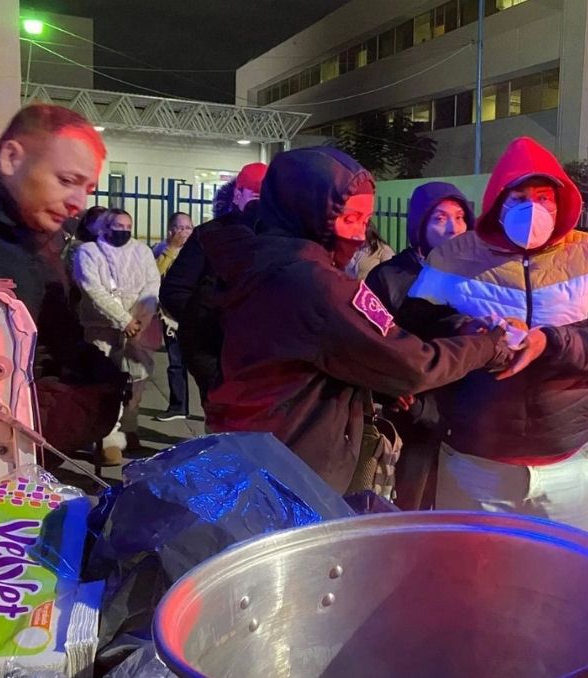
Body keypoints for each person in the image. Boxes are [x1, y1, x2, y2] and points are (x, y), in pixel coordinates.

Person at [200, 147, 512, 494]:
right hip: (297, 466)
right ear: (311, 213)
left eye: (365, 221)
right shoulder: (318, 284)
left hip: (255, 447)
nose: (360, 235)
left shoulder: (257, 260)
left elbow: (314, 353)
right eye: (349, 219)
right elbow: (412, 364)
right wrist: (488, 345)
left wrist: (375, 378)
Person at [404, 136, 588, 533]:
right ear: (499, 200)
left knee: (563, 581)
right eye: (519, 197)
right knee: (473, 582)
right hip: (474, 462)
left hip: (569, 461)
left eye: (544, 197)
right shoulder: (453, 256)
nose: (533, 209)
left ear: (560, 202)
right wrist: (476, 334)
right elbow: (413, 329)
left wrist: (550, 342)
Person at [0, 104, 126, 456]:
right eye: (66, 180)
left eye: (87, 188)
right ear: (12, 158)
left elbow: (57, 345)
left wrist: (100, 383)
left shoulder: (37, 247)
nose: (78, 202)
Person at [365, 181, 473, 510]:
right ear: (420, 224)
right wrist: (393, 390)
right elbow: (369, 345)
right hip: (416, 420)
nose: (452, 227)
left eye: (459, 217)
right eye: (440, 218)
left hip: (472, 418)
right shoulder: (389, 277)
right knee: (412, 515)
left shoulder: (486, 274)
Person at [159, 163, 266, 407]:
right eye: (256, 196)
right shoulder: (210, 235)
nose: (262, 204)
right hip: (219, 356)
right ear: (238, 195)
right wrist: (211, 325)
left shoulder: (280, 237)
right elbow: (174, 290)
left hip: (265, 361)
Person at [73, 208, 161, 465]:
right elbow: (93, 289)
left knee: (137, 381)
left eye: (127, 225)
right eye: (117, 225)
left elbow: (151, 284)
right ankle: (107, 439)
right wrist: (123, 320)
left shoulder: (142, 252)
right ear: (105, 227)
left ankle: (129, 427)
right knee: (106, 384)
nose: (122, 230)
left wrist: (140, 319)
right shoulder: (88, 252)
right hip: (102, 328)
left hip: (138, 328)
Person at [153, 211, 194, 422]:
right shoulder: (161, 251)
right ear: (171, 231)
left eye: (189, 227)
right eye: (181, 227)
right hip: (171, 317)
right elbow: (154, 276)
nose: (185, 232)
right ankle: (178, 405)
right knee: (176, 363)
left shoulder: (198, 251)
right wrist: (171, 250)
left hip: (195, 316)